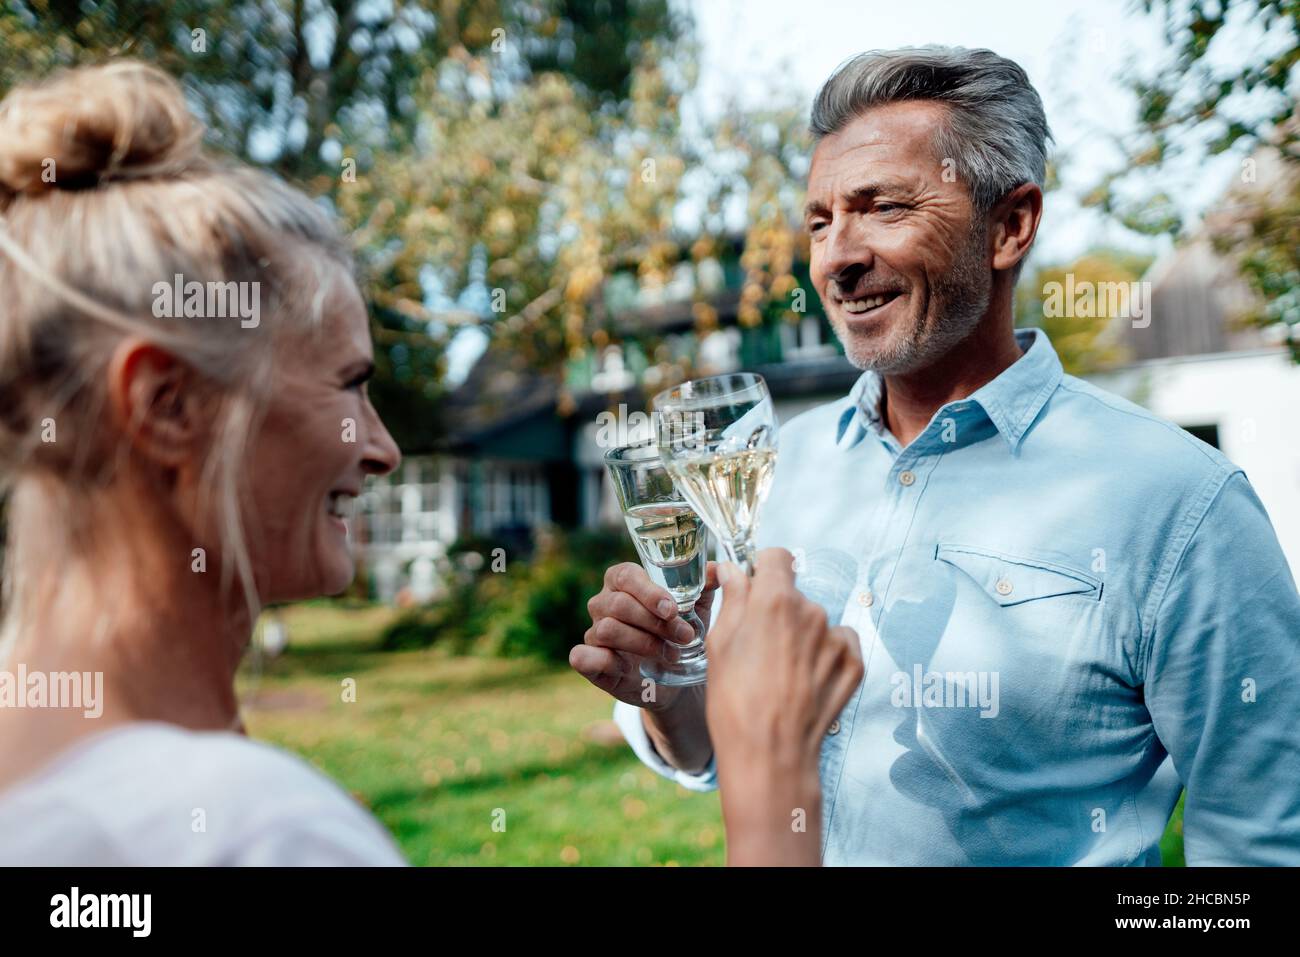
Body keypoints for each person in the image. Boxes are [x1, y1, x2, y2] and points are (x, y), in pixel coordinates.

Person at [576, 46, 1300, 865]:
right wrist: (669, 694)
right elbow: (727, 750)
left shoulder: (1184, 505)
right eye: (820, 220)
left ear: (1010, 225)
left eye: (883, 206)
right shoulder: (771, 470)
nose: (836, 258)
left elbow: (1258, 853)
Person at [0, 61, 409, 864]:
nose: (382, 449)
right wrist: (737, 769)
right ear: (168, 408)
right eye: (350, 385)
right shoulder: (254, 831)